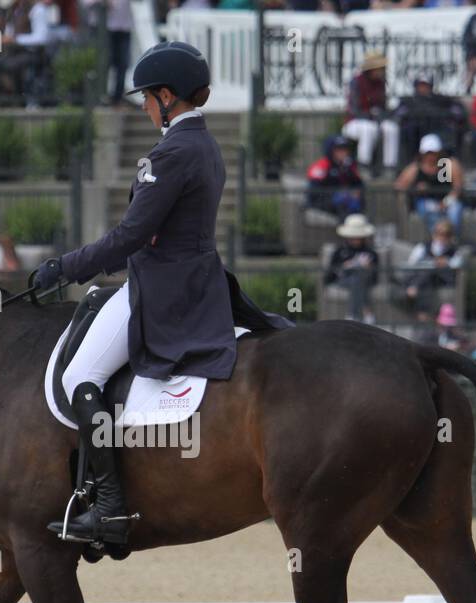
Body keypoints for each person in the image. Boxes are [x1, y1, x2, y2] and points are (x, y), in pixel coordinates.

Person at [30, 41, 291, 545]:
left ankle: (108, 507)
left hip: (162, 291)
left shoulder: (171, 152)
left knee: (81, 375)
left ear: (167, 97)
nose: (146, 108)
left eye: (148, 98)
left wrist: (66, 267)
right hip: (197, 282)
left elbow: (131, 234)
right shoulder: (205, 145)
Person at [342, 52, 399, 174]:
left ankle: (389, 166)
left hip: (376, 120)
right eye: (379, 68)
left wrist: (384, 115)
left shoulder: (381, 84)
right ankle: (364, 165)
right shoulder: (356, 82)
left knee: (391, 128)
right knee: (368, 129)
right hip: (355, 121)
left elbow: (382, 107)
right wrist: (370, 115)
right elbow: (354, 109)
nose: (381, 71)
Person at [395, 133, 464, 235]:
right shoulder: (415, 168)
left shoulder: (450, 164)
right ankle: (438, 237)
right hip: (427, 202)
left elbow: (458, 188)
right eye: (428, 153)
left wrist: (446, 202)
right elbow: (399, 185)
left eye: (433, 153)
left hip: (448, 200)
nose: (430, 156)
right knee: (426, 208)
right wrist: (415, 189)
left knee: (455, 210)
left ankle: (452, 238)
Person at [394, 74, 468, 162]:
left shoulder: (440, 99)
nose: (423, 88)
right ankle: (412, 163)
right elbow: (399, 113)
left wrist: (450, 116)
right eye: (421, 85)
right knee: (408, 132)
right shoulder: (408, 101)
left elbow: (457, 110)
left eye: (426, 85)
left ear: (431, 86)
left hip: (438, 130)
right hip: (415, 131)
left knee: (449, 138)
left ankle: (445, 167)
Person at [323, 213, 381, 324]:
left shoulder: (371, 253)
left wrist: (368, 267)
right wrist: (344, 266)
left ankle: (352, 315)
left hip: (365, 280)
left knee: (358, 279)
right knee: (356, 280)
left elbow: (376, 275)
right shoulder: (340, 252)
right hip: (344, 280)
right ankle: (367, 312)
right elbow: (331, 272)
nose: (355, 240)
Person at [401, 217, 463, 316]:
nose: (443, 238)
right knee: (427, 273)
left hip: (443, 278)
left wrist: (447, 262)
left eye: (447, 235)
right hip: (424, 277)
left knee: (431, 270)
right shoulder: (424, 247)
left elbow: (458, 264)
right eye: (440, 234)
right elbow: (412, 262)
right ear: (434, 234)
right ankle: (422, 312)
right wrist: (429, 263)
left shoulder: (454, 250)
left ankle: (414, 287)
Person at [306, 135, 366, 221]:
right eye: (338, 149)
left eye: (345, 149)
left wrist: (356, 192)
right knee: (342, 201)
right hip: (323, 201)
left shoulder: (348, 166)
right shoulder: (321, 165)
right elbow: (314, 192)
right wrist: (338, 194)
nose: (343, 152)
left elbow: (359, 184)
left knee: (356, 203)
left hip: (346, 199)